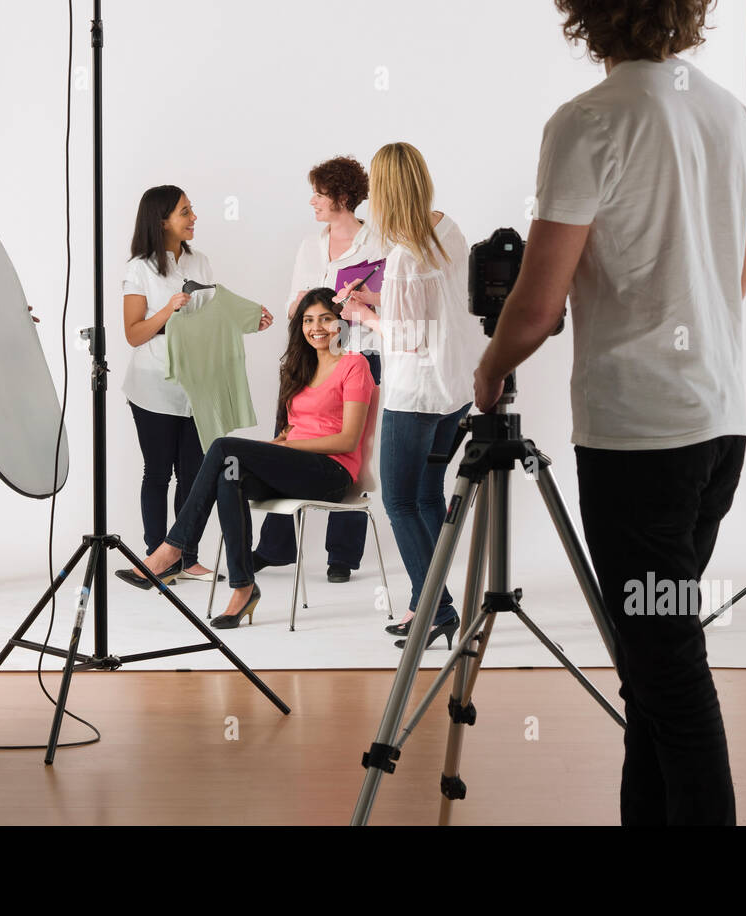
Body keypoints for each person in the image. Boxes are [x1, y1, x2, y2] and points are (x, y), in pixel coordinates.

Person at [472, 0, 746, 825]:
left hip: (641, 438)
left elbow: (539, 303)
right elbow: (730, 274)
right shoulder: (729, 115)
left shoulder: (588, 122)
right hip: (719, 426)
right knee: (650, 657)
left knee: (666, 668)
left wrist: (489, 367)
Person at [115, 290, 373, 628]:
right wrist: (275, 446)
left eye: (325, 318)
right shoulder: (300, 368)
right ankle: (243, 587)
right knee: (229, 475)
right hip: (297, 466)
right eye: (308, 320)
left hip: (333, 473)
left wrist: (284, 449)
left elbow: (348, 438)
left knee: (223, 447)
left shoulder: (354, 364)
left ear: (339, 322)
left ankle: (173, 548)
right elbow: (292, 432)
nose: (316, 327)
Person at [340, 143, 483, 651]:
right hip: (453, 391)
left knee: (399, 501)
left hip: (414, 395)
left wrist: (362, 316)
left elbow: (406, 338)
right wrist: (378, 299)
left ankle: (434, 609)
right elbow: (437, 303)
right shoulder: (446, 228)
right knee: (427, 496)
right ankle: (433, 604)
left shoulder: (402, 257)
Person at [120, 185, 273, 588]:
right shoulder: (139, 268)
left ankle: (186, 556)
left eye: (191, 210)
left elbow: (210, 315)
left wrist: (246, 319)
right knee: (158, 473)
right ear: (161, 220)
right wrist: (169, 310)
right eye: (185, 211)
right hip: (153, 385)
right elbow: (133, 334)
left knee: (193, 475)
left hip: (196, 386)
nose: (193, 217)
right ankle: (156, 557)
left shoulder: (200, 262)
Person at [251, 156, 384, 583]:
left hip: (359, 355)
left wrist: (357, 303)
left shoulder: (380, 243)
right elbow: (294, 306)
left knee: (352, 445)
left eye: (320, 195)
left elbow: (393, 301)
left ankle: (342, 554)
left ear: (342, 198)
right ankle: (275, 548)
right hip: (308, 357)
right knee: (291, 439)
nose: (313, 202)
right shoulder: (311, 246)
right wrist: (316, 301)